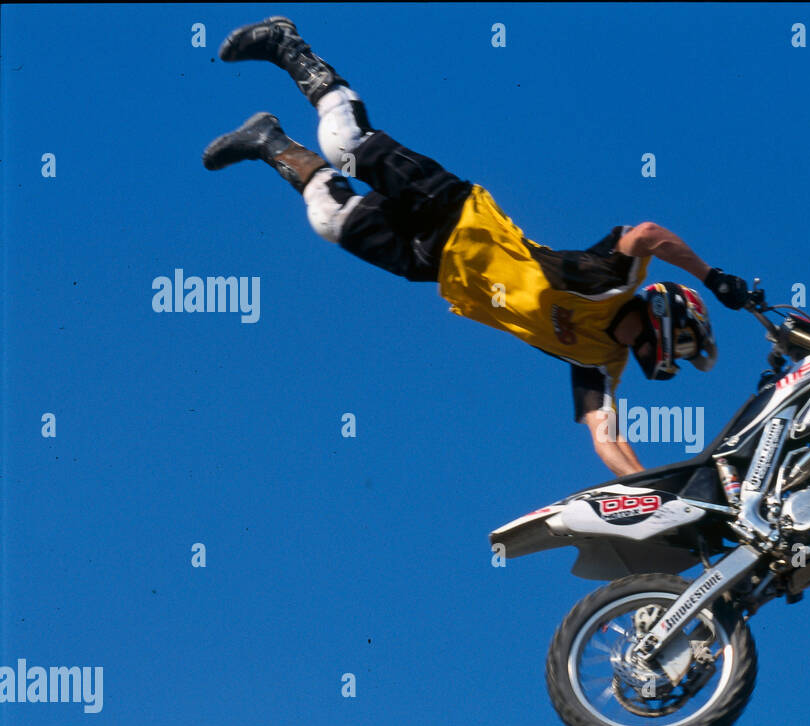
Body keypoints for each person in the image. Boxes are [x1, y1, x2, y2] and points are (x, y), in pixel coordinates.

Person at [201, 16, 751, 476]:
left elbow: (605, 438)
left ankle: (267, 139)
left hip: (435, 266)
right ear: (667, 316)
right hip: (457, 213)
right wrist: (712, 276)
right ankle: (287, 44)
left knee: (329, 219)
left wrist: (651, 492)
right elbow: (649, 234)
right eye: (680, 347)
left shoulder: (598, 361)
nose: (668, 361)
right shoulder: (613, 279)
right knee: (346, 144)